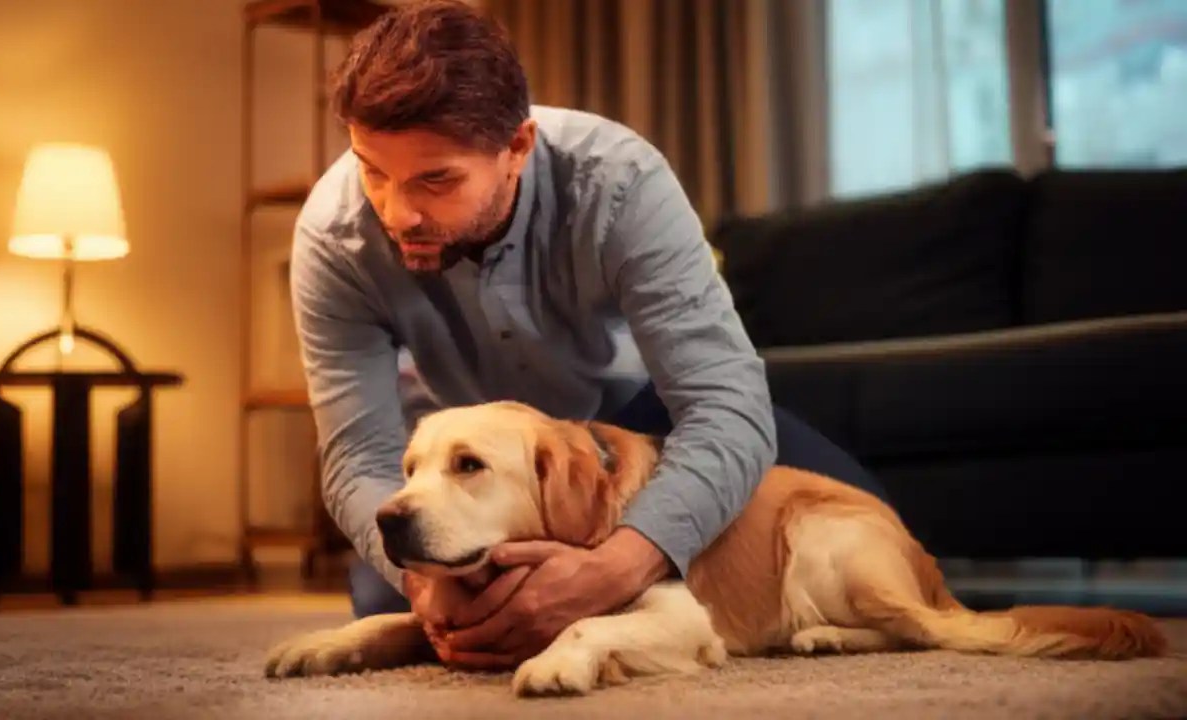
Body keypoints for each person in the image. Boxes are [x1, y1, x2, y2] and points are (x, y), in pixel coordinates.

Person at [290, 0, 888, 671]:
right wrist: (425, 586)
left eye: (437, 180)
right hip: (477, 463)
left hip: (641, 421)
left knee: (862, 525)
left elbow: (726, 406)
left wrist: (613, 569)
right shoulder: (332, 236)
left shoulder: (623, 183)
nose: (398, 212)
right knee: (389, 597)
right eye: (373, 170)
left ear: (517, 147)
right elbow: (358, 457)